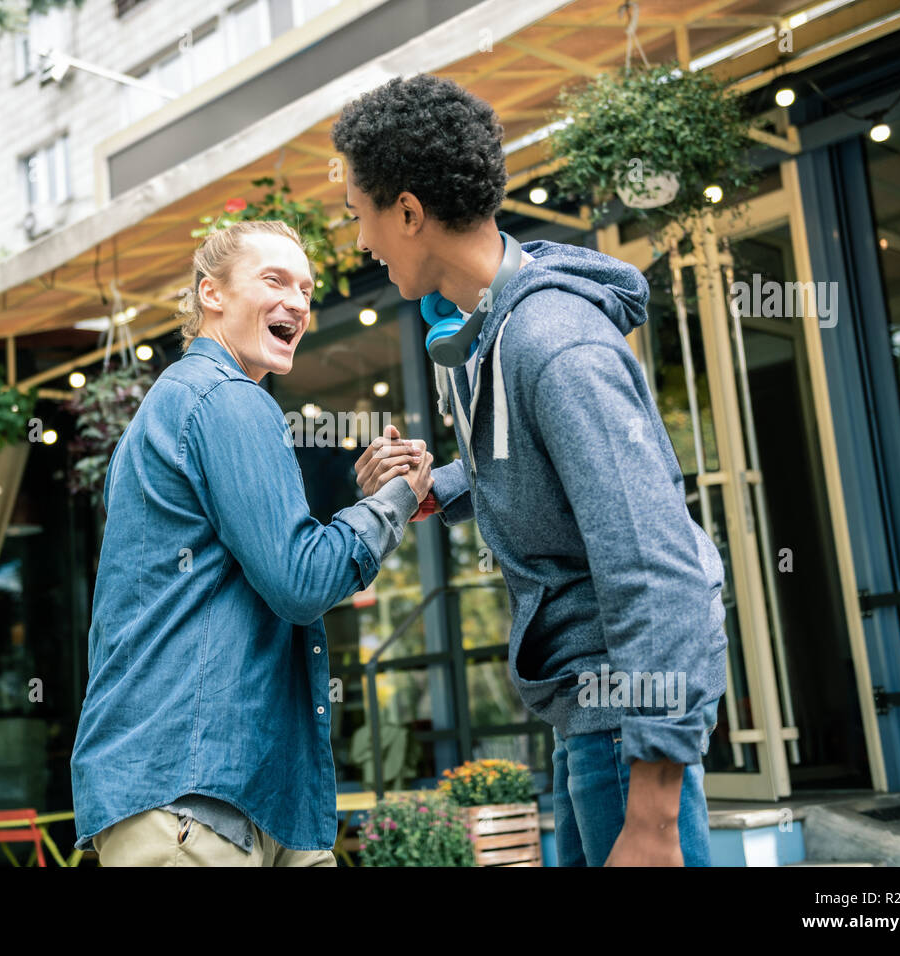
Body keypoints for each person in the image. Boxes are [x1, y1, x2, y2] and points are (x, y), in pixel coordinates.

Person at [335, 75, 727, 866]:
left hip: (627, 736)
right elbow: (550, 473)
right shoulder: (490, 332)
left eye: (358, 215)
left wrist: (651, 816)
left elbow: (659, 565)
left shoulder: (553, 344)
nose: (360, 241)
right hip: (589, 725)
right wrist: (436, 485)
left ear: (408, 212)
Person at [71, 220, 433, 866]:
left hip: (232, 795)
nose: (297, 301)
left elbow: (273, 562)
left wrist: (377, 505)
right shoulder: (225, 399)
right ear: (211, 294)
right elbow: (300, 582)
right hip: (195, 800)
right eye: (274, 280)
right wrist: (394, 501)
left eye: (306, 288)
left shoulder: (188, 404)